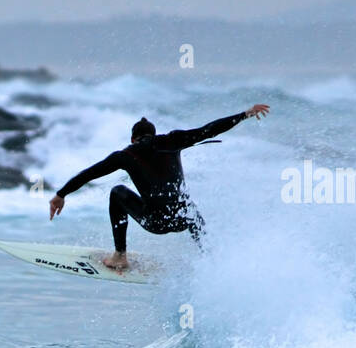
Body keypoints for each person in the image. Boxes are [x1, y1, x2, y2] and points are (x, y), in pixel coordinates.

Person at [48, 104, 270, 270]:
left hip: (156, 222)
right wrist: (245, 114)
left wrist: (61, 194)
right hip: (183, 219)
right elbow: (209, 129)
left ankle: (120, 256)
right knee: (188, 206)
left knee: (117, 192)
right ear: (153, 134)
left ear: (134, 138)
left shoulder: (126, 155)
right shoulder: (173, 140)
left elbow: (90, 173)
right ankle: (212, 261)